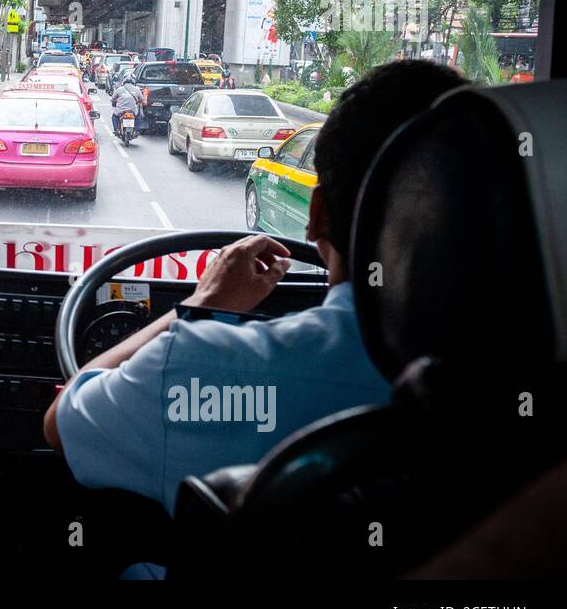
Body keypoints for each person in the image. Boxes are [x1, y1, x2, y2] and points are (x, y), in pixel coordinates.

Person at [43, 61, 465, 523]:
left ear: (317, 214)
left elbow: (63, 421)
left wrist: (204, 304)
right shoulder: (528, 375)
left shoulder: (198, 363)